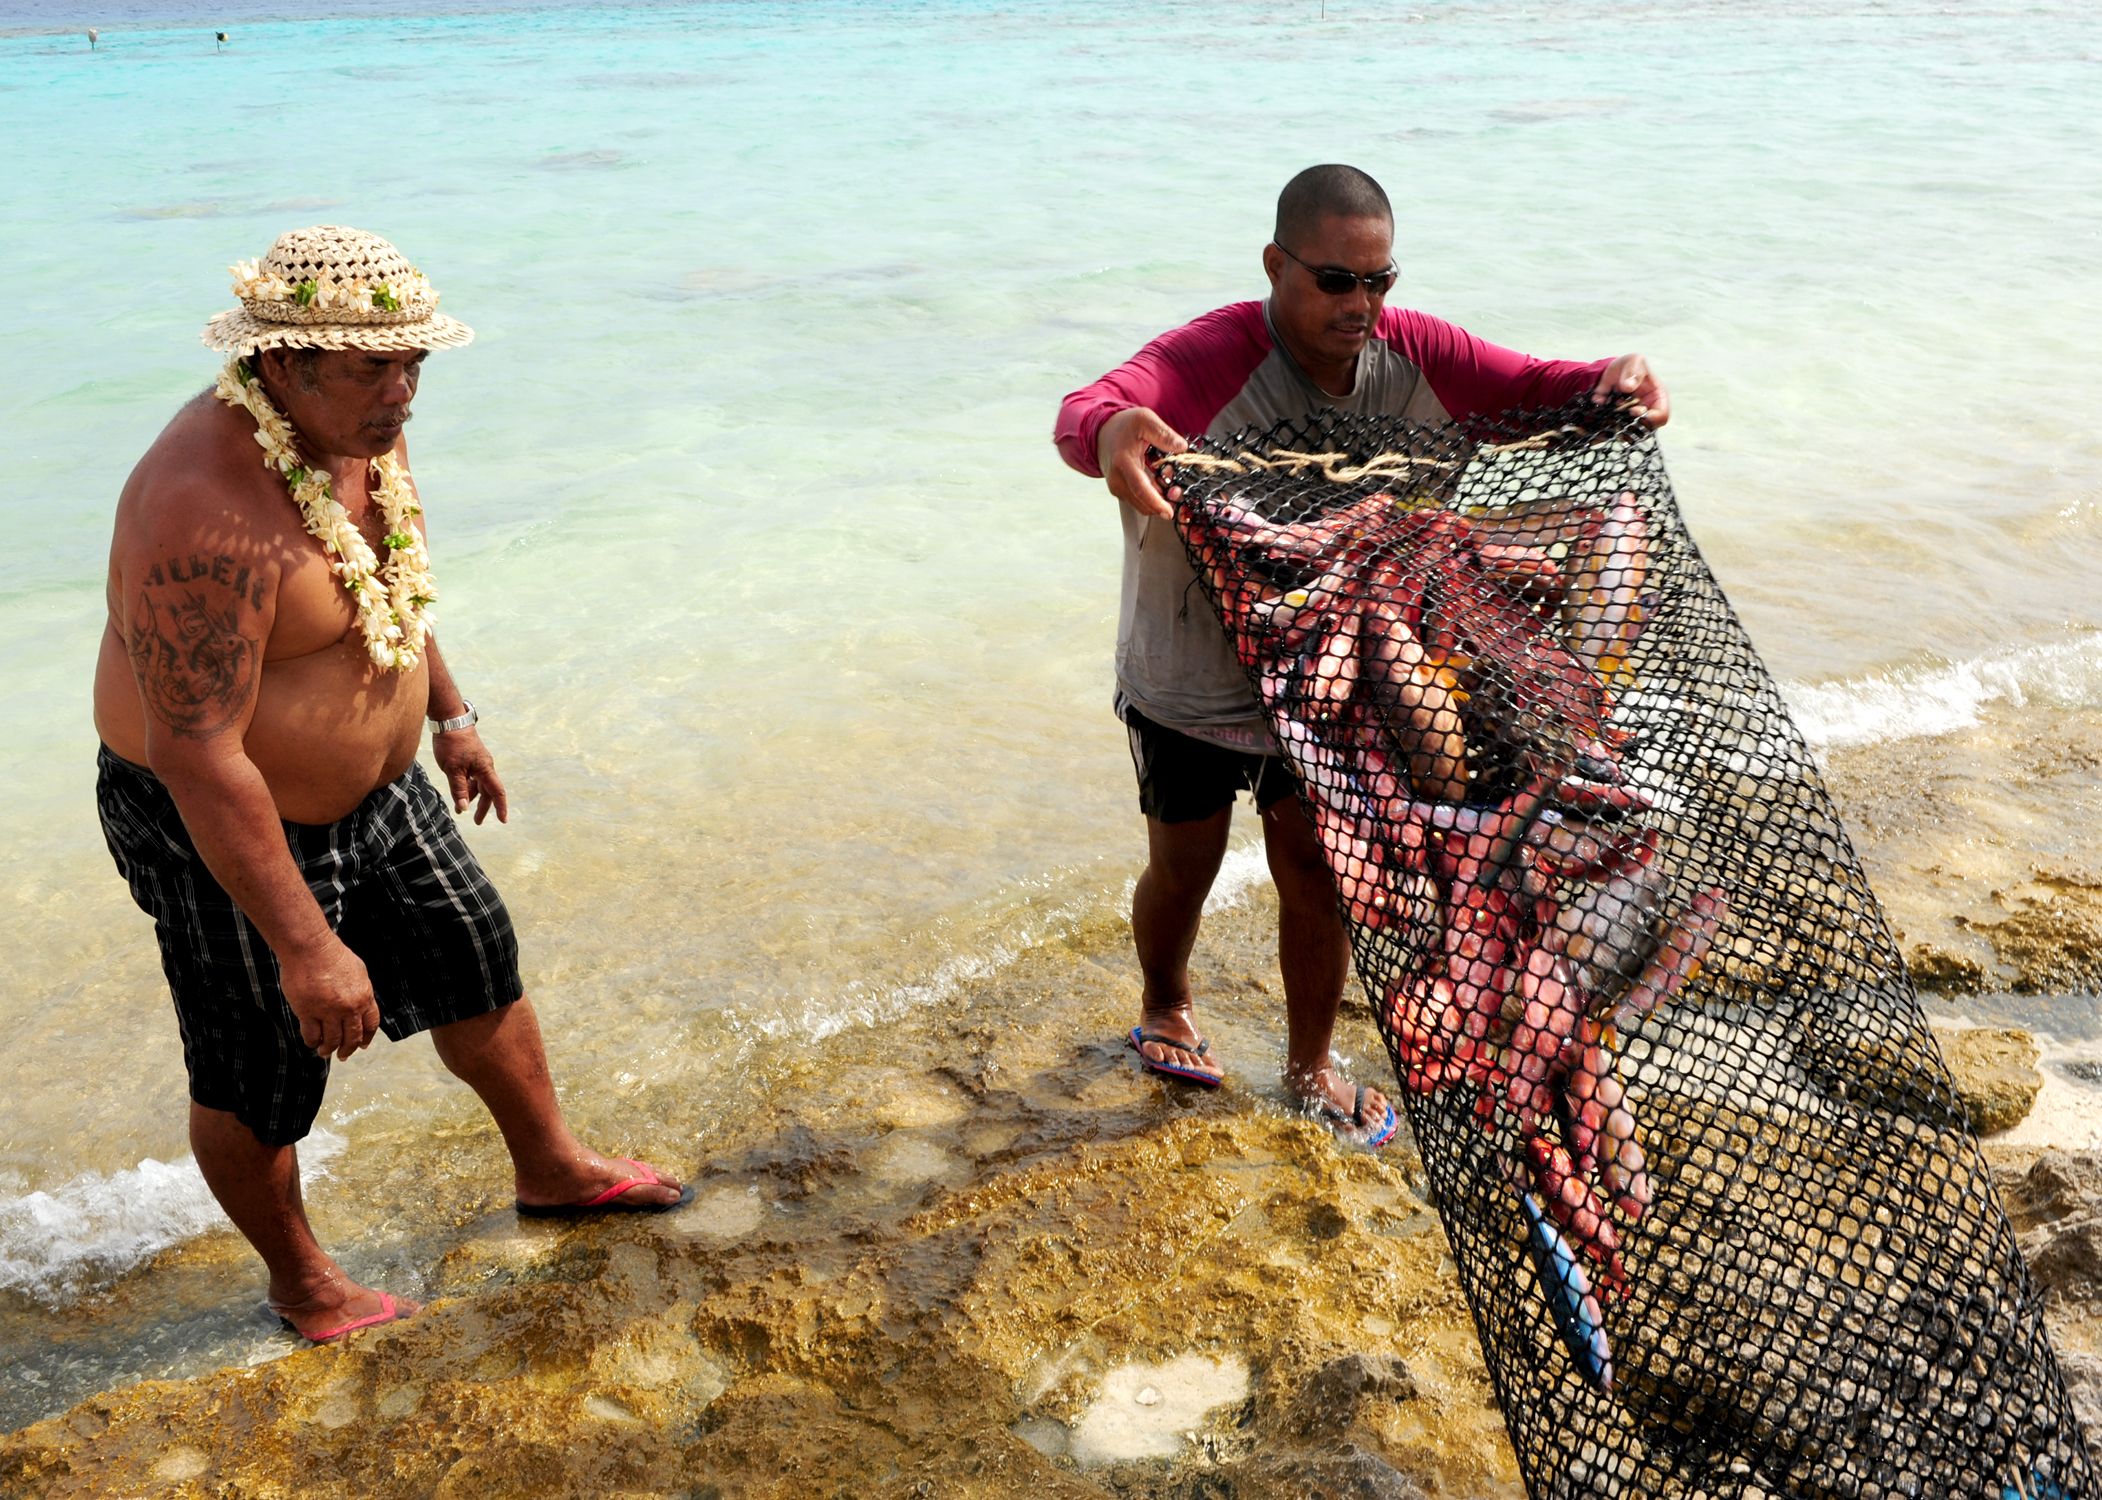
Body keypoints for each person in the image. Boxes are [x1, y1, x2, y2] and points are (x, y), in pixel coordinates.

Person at [92, 225, 689, 1344]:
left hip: (387, 788)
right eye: (372, 366)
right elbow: (197, 754)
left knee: (476, 956)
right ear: (281, 365)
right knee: (257, 1064)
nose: (402, 390)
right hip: (221, 819)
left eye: (412, 362)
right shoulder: (205, 515)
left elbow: (387, 581)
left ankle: (553, 1169)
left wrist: (450, 715)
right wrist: (309, 945)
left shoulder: (363, 430)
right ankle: (303, 1282)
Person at [1052, 165, 1669, 1145]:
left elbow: (1535, 387)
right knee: (1186, 863)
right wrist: (1111, 430)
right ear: (1275, 264)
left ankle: (1308, 1067)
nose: (1361, 304)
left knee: (1316, 866)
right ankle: (1165, 1001)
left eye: (1378, 279)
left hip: (1328, 682)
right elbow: (1097, 407)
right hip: (1190, 676)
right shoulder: (1210, 356)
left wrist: (1613, 377)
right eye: (1334, 280)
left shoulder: (1417, 351)